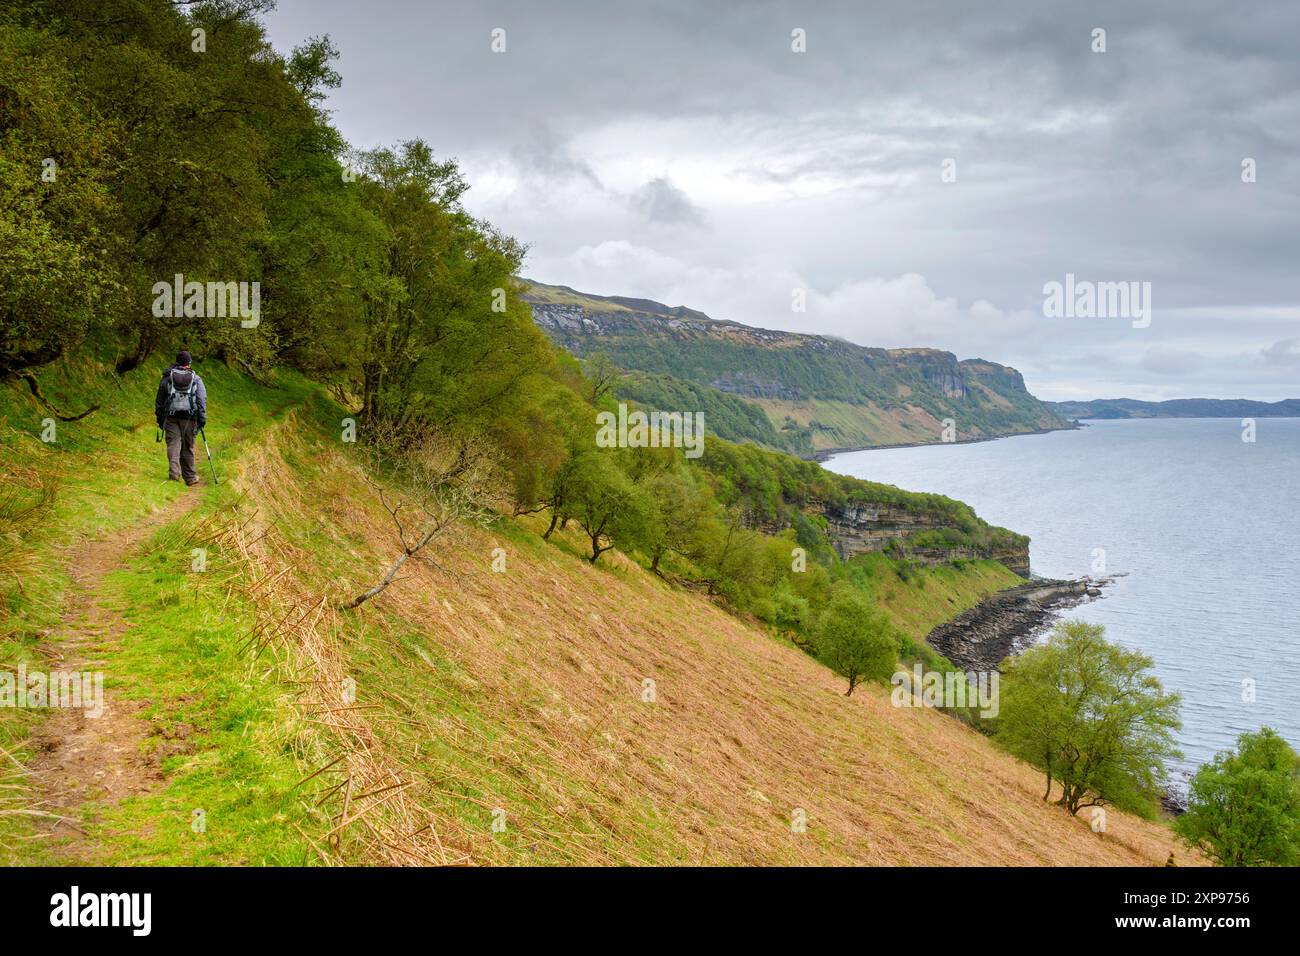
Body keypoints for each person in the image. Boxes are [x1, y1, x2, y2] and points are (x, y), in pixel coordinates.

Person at [154, 350, 207, 485]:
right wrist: (201, 420)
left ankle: (174, 475)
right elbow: (201, 400)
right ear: (189, 363)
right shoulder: (196, 379)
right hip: (190, 418)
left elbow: (159, 401)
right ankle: (190, 478)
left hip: (170, 418)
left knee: (173, 446)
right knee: (188, 447)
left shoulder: (167, 378)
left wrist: (160, 420)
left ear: (176, 362)